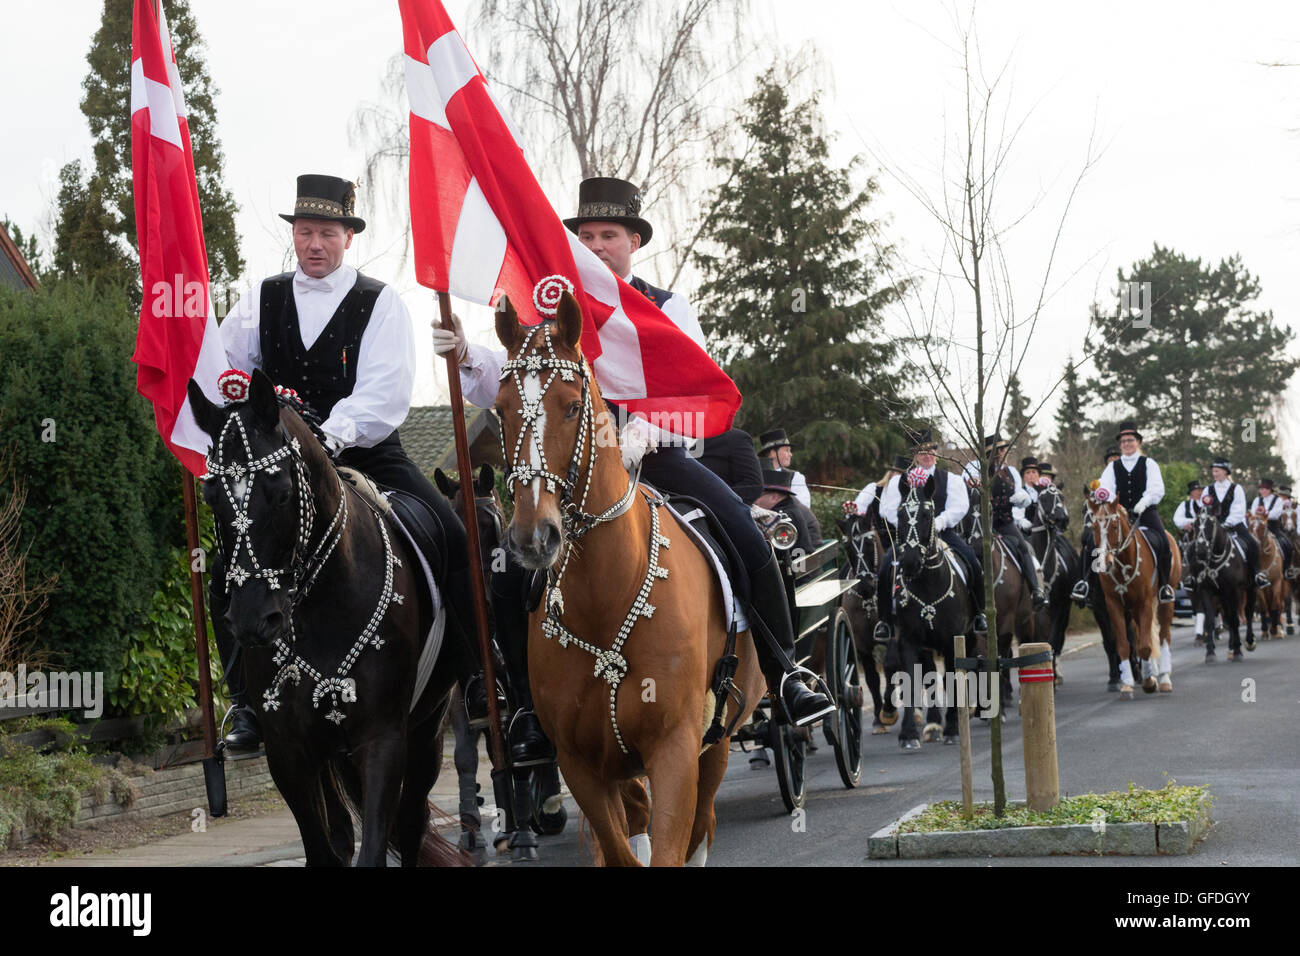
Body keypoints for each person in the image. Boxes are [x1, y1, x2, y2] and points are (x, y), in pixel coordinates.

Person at [433, 176, 834, 738]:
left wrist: (638, 436)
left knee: (746, 536)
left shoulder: (667, 307)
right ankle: (526, 705)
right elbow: (519, 393)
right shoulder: (548, 314)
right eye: (587, 236)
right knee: (507, 571)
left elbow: (691, 389)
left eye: (609, 235)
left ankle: (784, 671)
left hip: (659, 460)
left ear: (633, 242)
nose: (597, 246)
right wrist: (466, 352)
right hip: (569, 477)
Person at [214, 174, 482, 751]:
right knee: (232, 553)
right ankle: (244, 701)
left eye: (326, 233)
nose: (314, 243)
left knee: (452, 533)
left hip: (366, 452)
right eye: (305, 231)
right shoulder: (263, 297)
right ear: (295, 235)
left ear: (348, 237)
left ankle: (482, 677)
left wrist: (325, 437)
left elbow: (383, 395)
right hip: (281, 466)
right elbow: (221, 365)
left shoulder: (380, 301)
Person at [874, 429, 988, 638]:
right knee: (884, 569)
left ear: (936, 452)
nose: (927, 455)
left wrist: (938, 522)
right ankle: (885, 621)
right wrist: (908, 525)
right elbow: (887, 509)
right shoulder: (900, 481)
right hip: (909, 538)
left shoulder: (951, 480)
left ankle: (980, 612)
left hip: (944, 534)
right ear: (915, 455)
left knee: (972, 561)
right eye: (922, 451)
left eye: (931, 450)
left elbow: (960, 506)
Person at [1074, 421, 1175, 604]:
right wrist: (1110, 502)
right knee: (1091, 540)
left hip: (1145, 512)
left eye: (1130, 440)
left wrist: (1144, 502)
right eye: (1123, 441)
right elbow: (1106, 487)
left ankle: (1164, 586)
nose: (1127, 444)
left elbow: (1157, 488)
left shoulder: (1149, 463)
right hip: (1118, 513)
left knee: (1163, 541)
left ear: (1138, 442)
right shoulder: (1113, 467)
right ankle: (1086, 583)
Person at [966, 435, 1048, 609]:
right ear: (993, 452)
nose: (1005, 453)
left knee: (1024, 548)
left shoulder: (1012, 472)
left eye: (1005, 450)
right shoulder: (976, 469)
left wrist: (1022, 503)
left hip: (1005, 521)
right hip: (981, 524)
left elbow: (1017, 499)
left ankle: (1036, 591)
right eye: (1002, 450)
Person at [1205, 459, 1269, 588]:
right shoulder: (1208, 489)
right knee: (1197, 545)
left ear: (1225, 472)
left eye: (1217, 471)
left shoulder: (1236, 488)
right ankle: (1194, 577)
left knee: (1252, 544)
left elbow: (1239, 510)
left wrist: (1227, 523)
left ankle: (1257, 574)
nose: (1214, 474)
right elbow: (1205, 508)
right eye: (1213, 471)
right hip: (1214, 526)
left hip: (1234, 524)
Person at [758, 468, 822, 554]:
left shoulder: (783, 516)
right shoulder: (789, 508)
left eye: (758, 495)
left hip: (799, 566)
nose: (755, 500)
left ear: (774, 497)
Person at [694, 427, 764, 505]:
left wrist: (709, 501)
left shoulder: (734, 438)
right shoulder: (678, 439)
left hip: (712, 511)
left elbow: (752, 485)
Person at [757, 429, 811, 508]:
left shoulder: (795, 477)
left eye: (790, 451)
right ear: (773, 453)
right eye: (786, 450)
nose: (790, 454)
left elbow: (803, 506)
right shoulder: (755, 473)